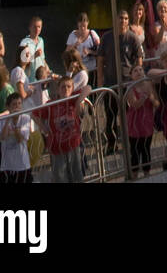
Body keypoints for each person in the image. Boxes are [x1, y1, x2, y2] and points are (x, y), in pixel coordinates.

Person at [96, 10, 142, 155]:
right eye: (120, 18)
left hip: (128, 84)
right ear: (115, 20)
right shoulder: (107, 37)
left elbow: (139, 58)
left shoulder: (132, 38)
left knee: (129, 115)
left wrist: (138, 77)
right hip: (111, 83)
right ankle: (111, 145)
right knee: (110, 116)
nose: (123, 21)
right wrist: (100, 80)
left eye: (126, 18)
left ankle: (130, 143)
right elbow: (100, 60)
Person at [37, 75, 84, 185]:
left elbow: (88, 88)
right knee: (60, 176)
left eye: (68, 87)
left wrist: (79, 101)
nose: (66, 89)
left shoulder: (74, 99)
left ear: (72, 88)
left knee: (76, 174)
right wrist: (43, 129)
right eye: (63, 87)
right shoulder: (51, 104)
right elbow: (35, 114)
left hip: (73, 144)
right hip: (57, 146)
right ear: (58, 89)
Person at [125, 63, 159, 177]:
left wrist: (152, 99)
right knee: (135, 151)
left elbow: (157, 103)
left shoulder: (149, 84)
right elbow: (135, 104)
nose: (139, 72)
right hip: (135, 123)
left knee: (146, 149)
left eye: (141, 70)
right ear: (131, 75)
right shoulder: (130, 87)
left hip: (147, 122)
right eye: (135, 71)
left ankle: (147, 174)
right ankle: (134, 176)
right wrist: (144, 97)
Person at [0, 92, 33, 184]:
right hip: (7, 165)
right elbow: (2, 137)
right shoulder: (2, 120)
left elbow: (20, 139)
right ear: (8, 107)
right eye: (14, 104)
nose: (17, 107)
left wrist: (14, 130)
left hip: (22, 165)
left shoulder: (26, 118)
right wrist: (9, 119)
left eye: (19, 104)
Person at [66, 13, 101, 81]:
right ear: (77, 24)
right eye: (80, 26)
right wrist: (75, 45)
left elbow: (101, 51)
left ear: (88, 23)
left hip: (91, 69)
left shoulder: (92, 34)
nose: (82, 28)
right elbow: (66, 53)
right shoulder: (72, 35)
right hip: (78, 70)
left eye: (84, 26)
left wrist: (90, 51)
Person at [18, 16, 46, 81]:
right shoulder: (24, 42)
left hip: (42, 77)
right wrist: (34, 56)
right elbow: (22, 63)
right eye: (34, 27)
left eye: (39, 27)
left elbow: (43, 59)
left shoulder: (41, 40)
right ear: (29, 28)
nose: (37, 29)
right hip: (30, 79)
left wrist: (48, 71)